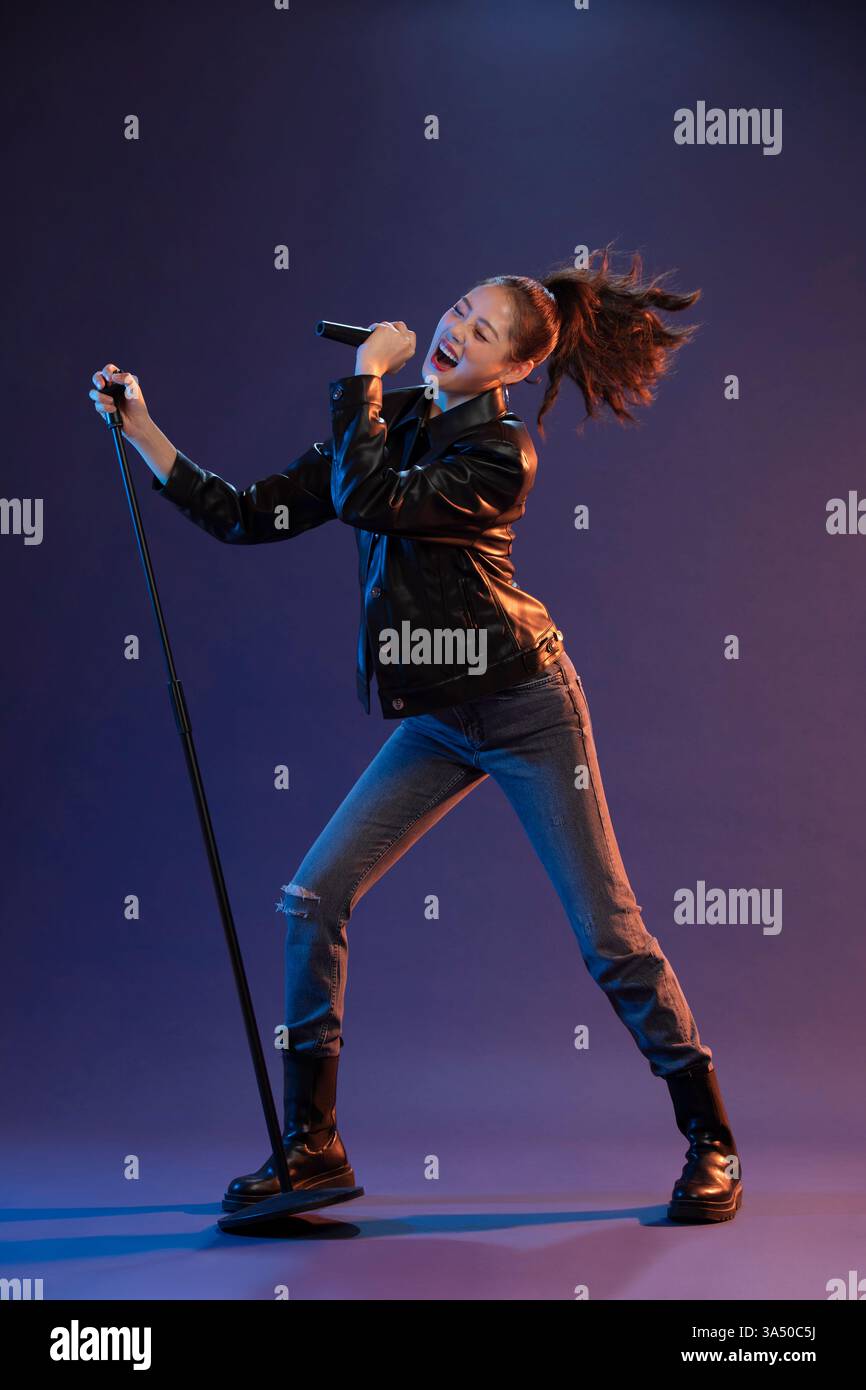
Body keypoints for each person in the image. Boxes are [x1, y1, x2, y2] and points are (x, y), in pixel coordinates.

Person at [88, 245, 742, 1224]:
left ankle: (711, 1140)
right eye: (458, 310)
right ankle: (312, 1147)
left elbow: (372, 503)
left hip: (526, 707)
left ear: (512, 370)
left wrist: (363, 383)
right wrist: (140, 429)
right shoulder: (380, 428)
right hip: (438, 719)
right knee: (313, 897)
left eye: (482, 332)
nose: (455, 330)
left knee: (607, 935)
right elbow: (246, 515)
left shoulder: (497, 455)